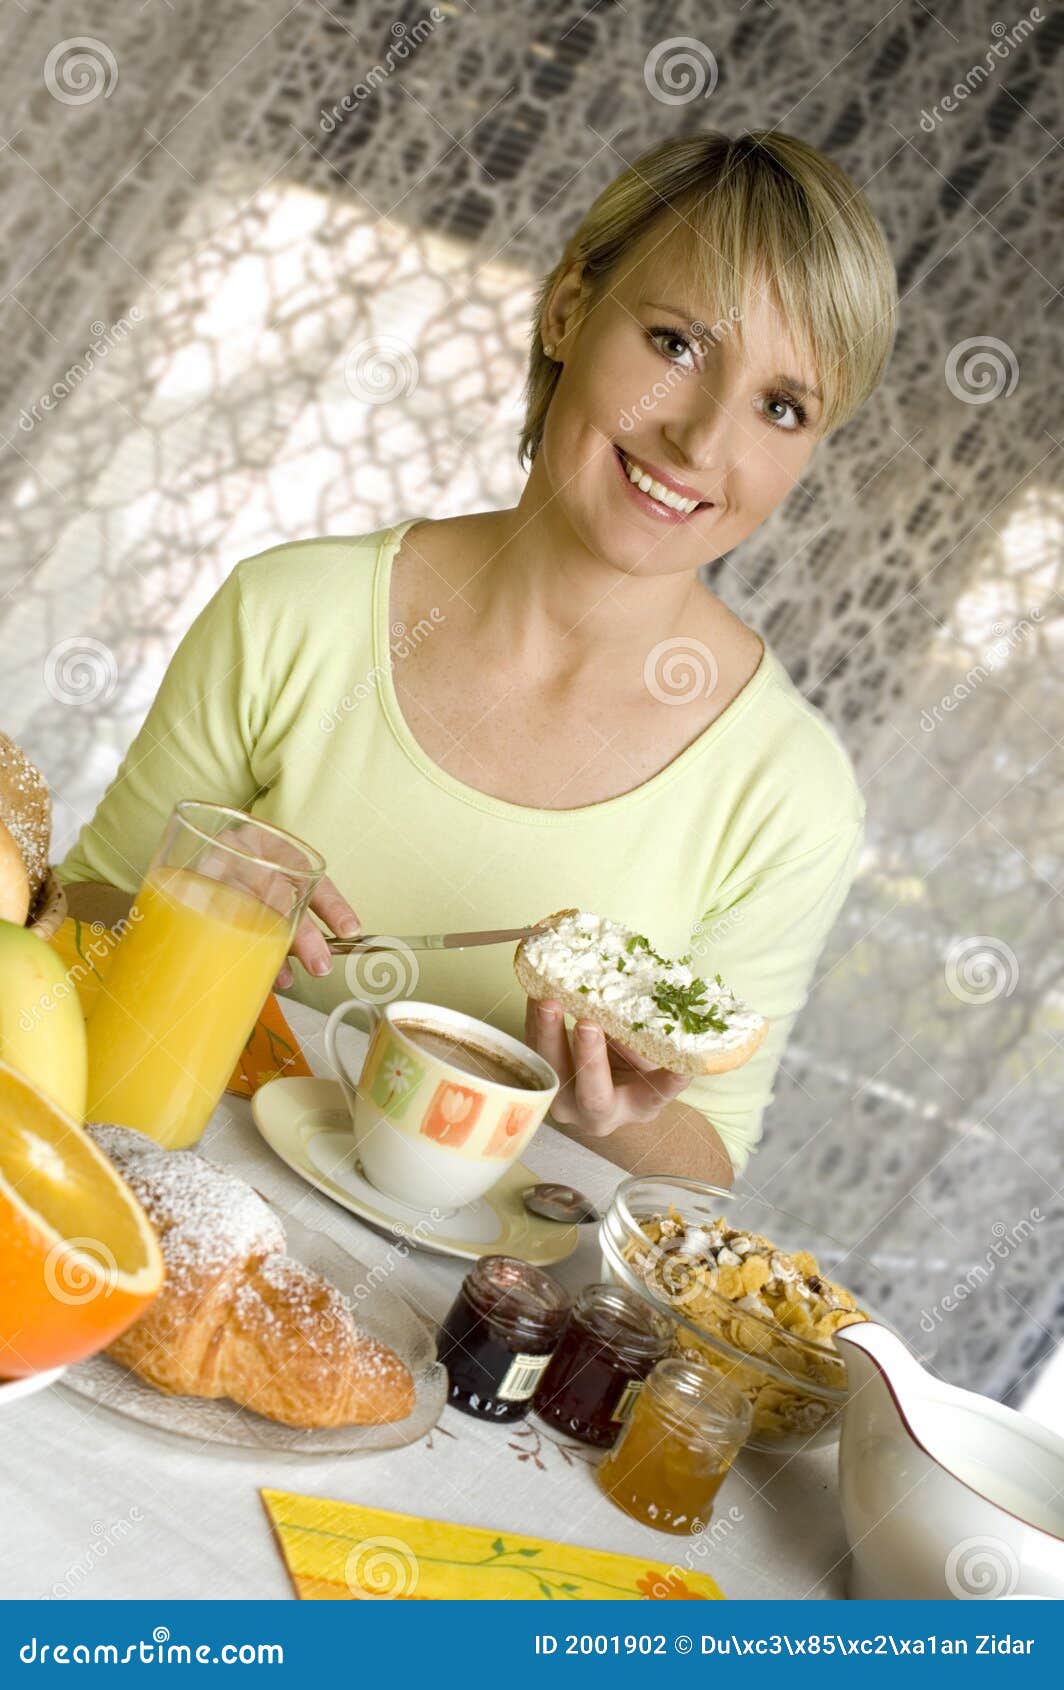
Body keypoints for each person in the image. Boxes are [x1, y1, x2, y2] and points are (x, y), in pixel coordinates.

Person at [58, 129, 897, 1186]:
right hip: (146, 1193)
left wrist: (615, 1117)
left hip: (461, 1317)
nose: (699, 443)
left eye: (781, 406)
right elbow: (73, 916)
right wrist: (189, 911)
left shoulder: (789, 795)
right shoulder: (292, 614)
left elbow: (704, 1162)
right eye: (676, 346)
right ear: (566, 310)